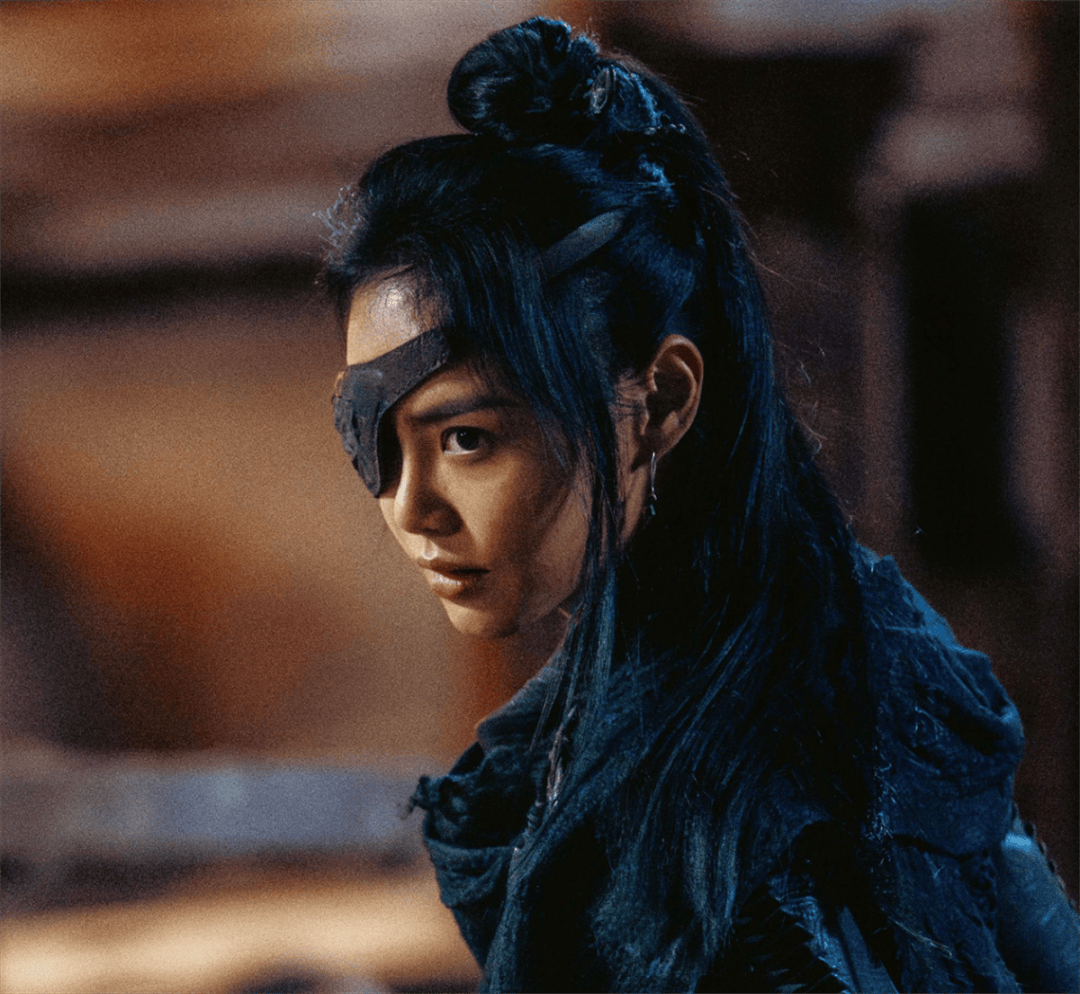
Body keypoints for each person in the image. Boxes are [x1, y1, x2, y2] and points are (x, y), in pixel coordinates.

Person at [325, 18, 1077, 993]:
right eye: (378, 444)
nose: (411, 506)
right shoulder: (630, 706)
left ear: (663, 401)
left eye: (468, 438)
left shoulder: (771, 778)